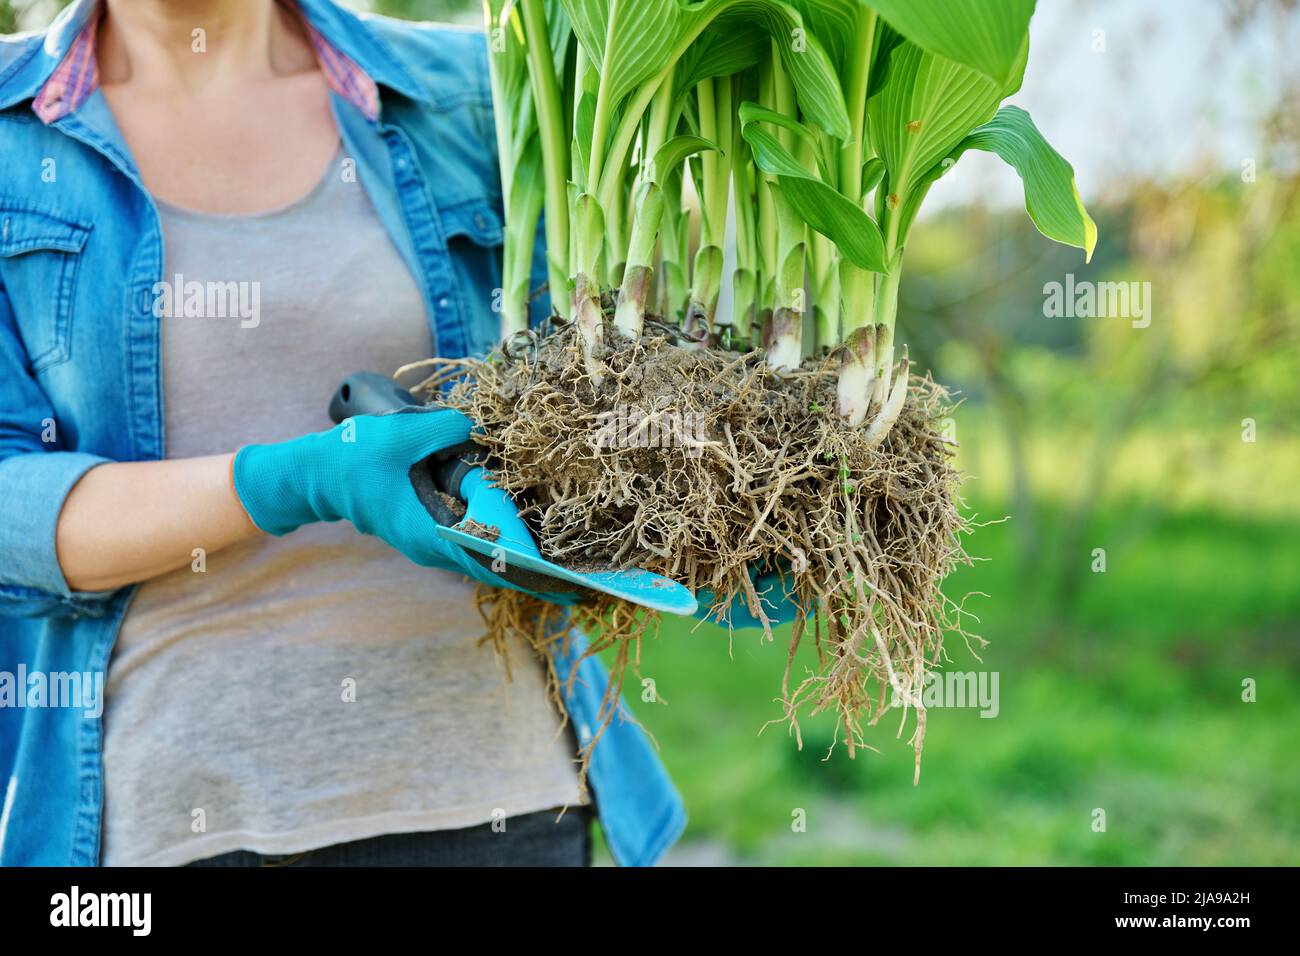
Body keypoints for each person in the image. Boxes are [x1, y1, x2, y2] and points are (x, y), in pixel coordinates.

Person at [0, 0, 685, 867]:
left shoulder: (472, 90)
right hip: (184, 817)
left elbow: (585, 370)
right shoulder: (14, 140)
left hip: (501, 795)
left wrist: (705, 509)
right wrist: (292, 482)